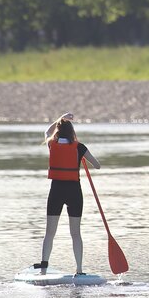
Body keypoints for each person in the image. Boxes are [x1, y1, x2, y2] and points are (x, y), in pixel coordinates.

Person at [34, 113, 101, 276]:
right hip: (74, 192)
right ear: (72, 132)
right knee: (75, 233)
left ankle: (43, 269)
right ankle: (79, 270)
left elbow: (46, 132)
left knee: (49, 233)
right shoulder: (79, 147)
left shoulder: (52, 144)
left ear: (58, 130)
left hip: (56, 191)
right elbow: (97, 166)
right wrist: (81, 155)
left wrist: (61, 117)